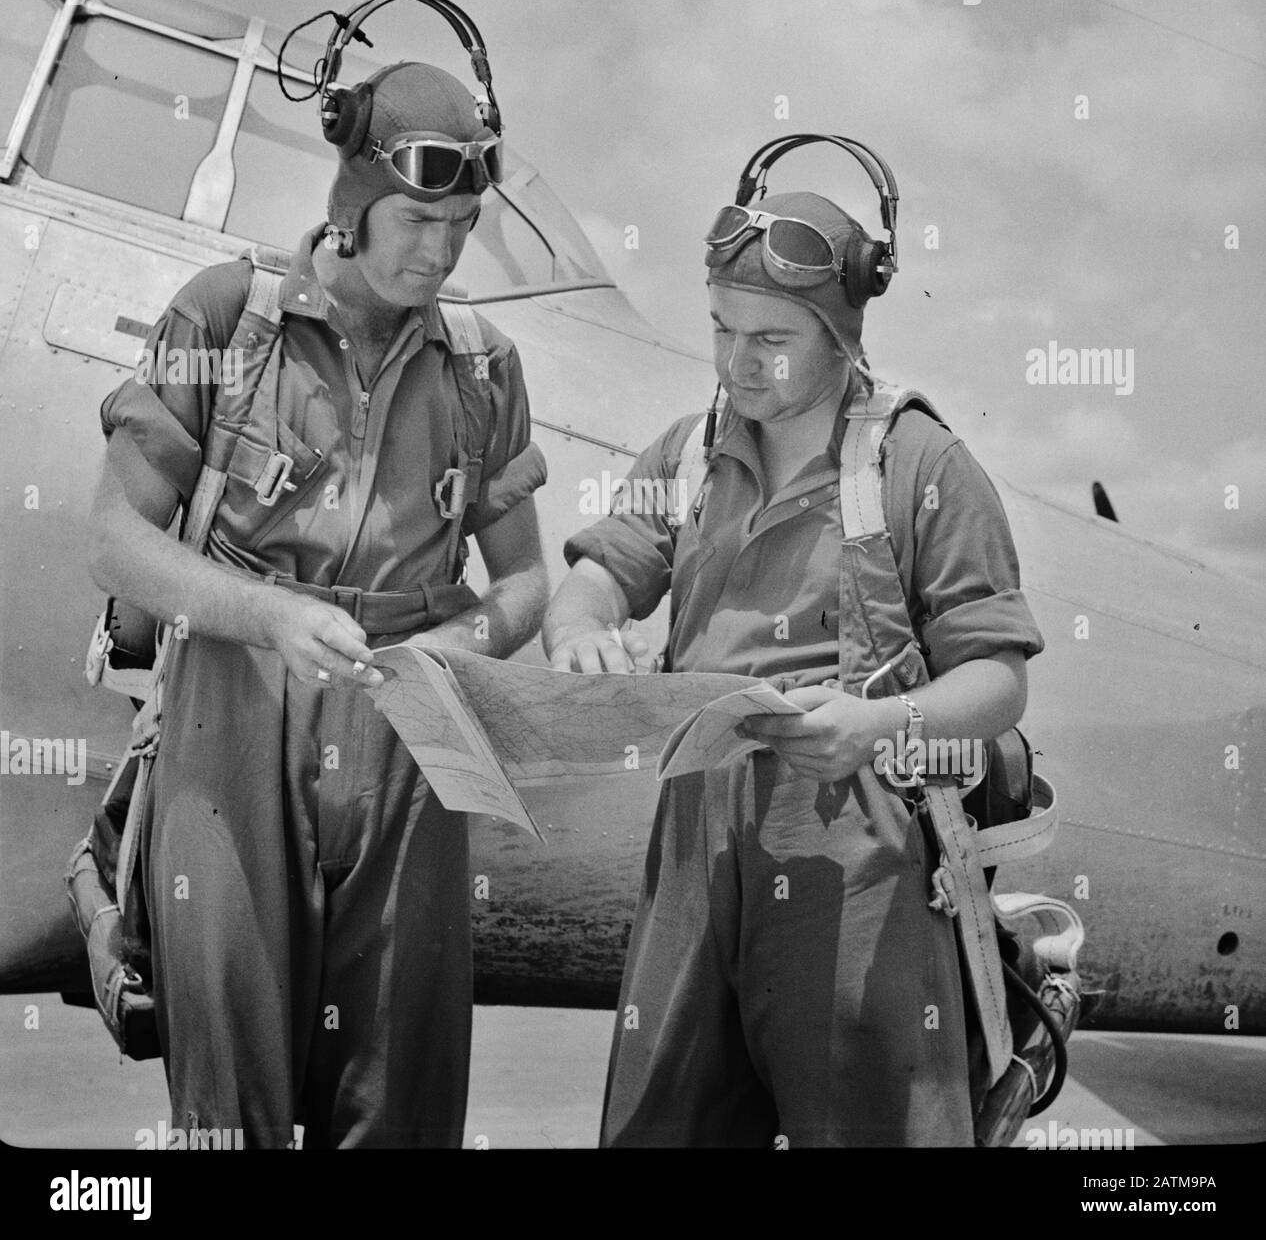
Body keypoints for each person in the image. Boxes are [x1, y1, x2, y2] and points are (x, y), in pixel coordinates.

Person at [88, 58, 548, 1148]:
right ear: (351, 201)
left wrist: (446, 649)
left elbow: (525, 585)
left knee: (402, 1105)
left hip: (412, 733)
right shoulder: (224, 317)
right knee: (228, 1104)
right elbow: (114, 539)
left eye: (463, 224)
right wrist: (267, 616)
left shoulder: (483, 366)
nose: (439, 251)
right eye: (418, 219)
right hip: (232, 713)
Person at [543, 156, 1045, 1146]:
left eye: (770, 338)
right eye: (723, 330)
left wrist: (878, 723)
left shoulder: (919, 465)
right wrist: (580, 629)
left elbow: (998, 679)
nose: (738, 362)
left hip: (856, 842)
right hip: (693, 836)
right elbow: (598, 574)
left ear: (840, 334)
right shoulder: (687, 455)